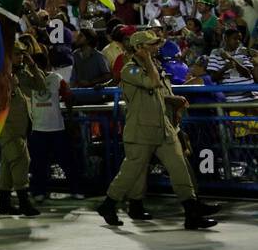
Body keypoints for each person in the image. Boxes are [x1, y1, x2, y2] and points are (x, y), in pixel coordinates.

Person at [96, 31, 220, 228]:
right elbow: (152, 83)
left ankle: (191, 212)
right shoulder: (130, 70)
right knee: (130, 173)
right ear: (139, 48)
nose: (156, 48)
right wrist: (147, 61)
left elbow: (160, 93)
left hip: (163, 128)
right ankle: (108, 204)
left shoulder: (154, 66)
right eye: (151, 45)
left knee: (180, 168)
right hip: (141, 131)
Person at [0, 36, 49, 216]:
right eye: (17, 54)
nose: (20, 57)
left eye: (22, 54)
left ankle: (3, 202)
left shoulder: (21, 72)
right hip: (6, 126)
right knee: (21, 160)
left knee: (7, 164)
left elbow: (41, 86)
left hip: (20, 126)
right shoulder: (0, 74)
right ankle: (24, 202)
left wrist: (33, 65)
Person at [27, 51, 80, 198]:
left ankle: (75, 189)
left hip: (57, 127)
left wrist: (69, 118)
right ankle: (40, 191)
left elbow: (68, 96)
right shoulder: (29, 81)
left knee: (67, 161)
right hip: (38, 128)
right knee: (39, 164)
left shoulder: (56, 78)